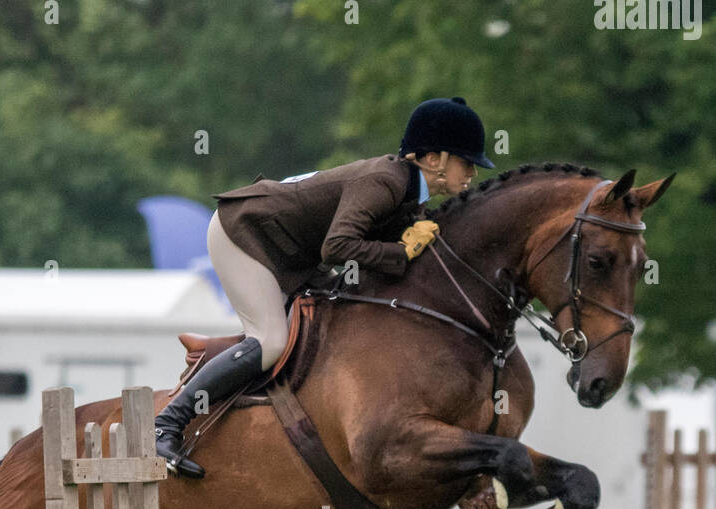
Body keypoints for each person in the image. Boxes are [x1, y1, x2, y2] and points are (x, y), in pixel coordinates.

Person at [155, 96, 495, 478]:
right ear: (434, 158)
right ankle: (167, 424)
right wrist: (399, 252)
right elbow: (337, 246)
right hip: (246, 234)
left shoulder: (410, 195)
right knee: (270, 342)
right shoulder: (383, 182)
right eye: (467, 162)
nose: (472, 173)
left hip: (292, 251)